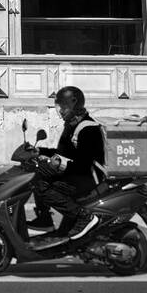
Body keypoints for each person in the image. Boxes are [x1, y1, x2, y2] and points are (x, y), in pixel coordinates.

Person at [29, 86, 105, 241]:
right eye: (60, 107)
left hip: (88, 179)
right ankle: (45, 219)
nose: (61, 111)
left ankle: (84, 216)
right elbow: (62, 153)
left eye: (64, 107)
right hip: (77, 174)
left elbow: (83, 165)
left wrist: (59, 165)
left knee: (42, 186)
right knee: (37, 174)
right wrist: (39, 151)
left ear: (74, 104)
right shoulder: (72, 124)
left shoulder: (88, 128)